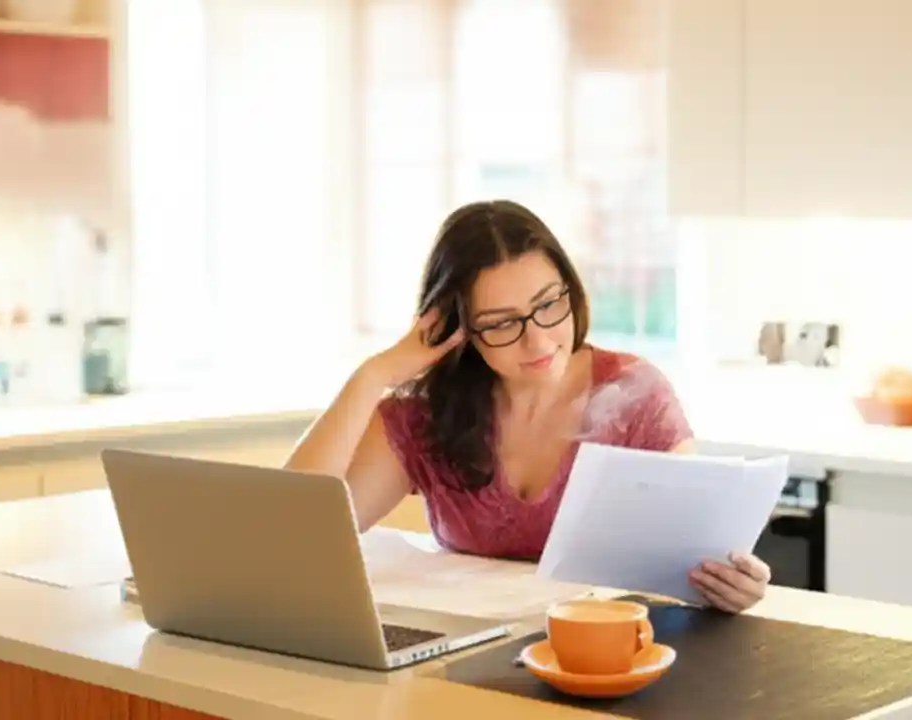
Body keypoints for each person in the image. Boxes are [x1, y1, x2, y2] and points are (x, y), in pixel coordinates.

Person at [286, 199, 770, 614]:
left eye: (547, 305)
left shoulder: (634, 395)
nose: (537, 339)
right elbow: (298, 541)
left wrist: (732, 582)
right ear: (460, 330)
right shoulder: (426, 416)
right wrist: (373, 375)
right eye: (501, 323)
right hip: (464, 668)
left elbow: (698, 549)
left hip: (602, 662)